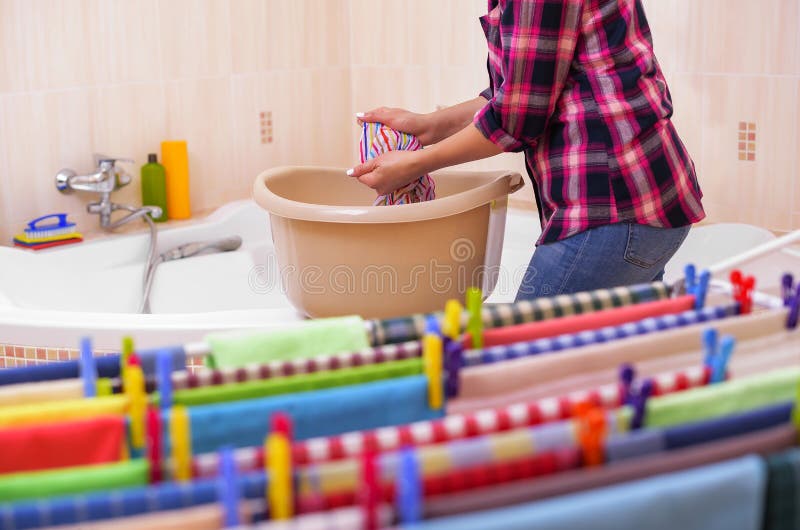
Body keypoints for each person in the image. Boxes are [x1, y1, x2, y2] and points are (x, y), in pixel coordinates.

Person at [348, 0, 705, 301]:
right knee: (603, 371)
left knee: (517, 360)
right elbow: (519, 91)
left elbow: (517, 118)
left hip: (612, 210)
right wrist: (428, 126)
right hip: (646, 205)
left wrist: (415, 164)